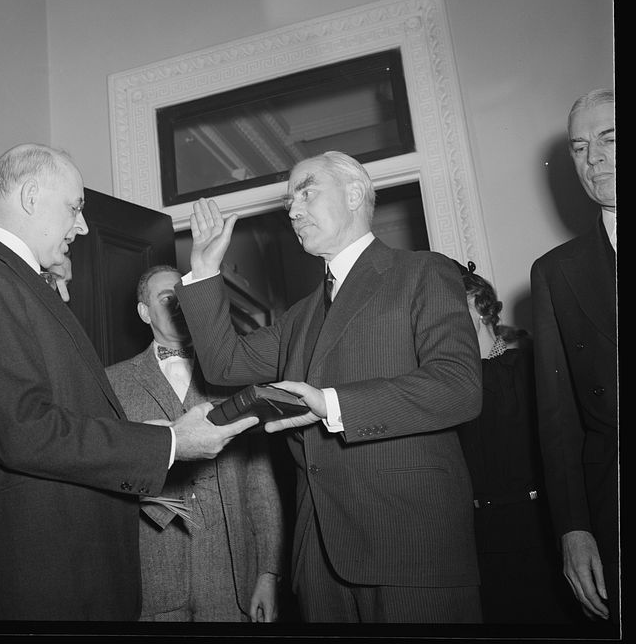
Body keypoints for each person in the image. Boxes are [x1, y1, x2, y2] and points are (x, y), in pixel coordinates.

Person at [0, 143, 257, 621]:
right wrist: (170, 442)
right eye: (75, 208)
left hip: (71, 576)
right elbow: (24, 431)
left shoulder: (17, 281)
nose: (81, 226)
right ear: (32, 196)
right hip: (39, 585)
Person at [175, 150, 483, 624]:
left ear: (355, 193)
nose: (293, 210)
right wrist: (204, 269)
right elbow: (222, 363)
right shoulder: (299, 315)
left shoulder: (423, 273)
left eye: (306, 191)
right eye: (289, 202)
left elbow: (458, 386)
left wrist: (332, 405)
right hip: (318, 562)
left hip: (410, 549)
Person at [106, 265, 283, 623]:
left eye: (182, 297)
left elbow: (260, 484)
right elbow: (105, 474)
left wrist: (268, 573)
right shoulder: (112, 382)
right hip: (154, 583)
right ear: (144, 312)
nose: (177, 306)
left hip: (234, 581)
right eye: (166, 298)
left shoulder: (232, 373)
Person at [530, 88, 618, 627]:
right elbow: (558, 418)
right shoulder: (555, 271)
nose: (595, 159)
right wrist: (572, 527)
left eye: (609, 138)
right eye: (580, 148)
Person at [453, 262, 579, 625]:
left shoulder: (527, 365)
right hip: (475, 541)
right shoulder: (445, 386)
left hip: (534, 532)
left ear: (478, 305)